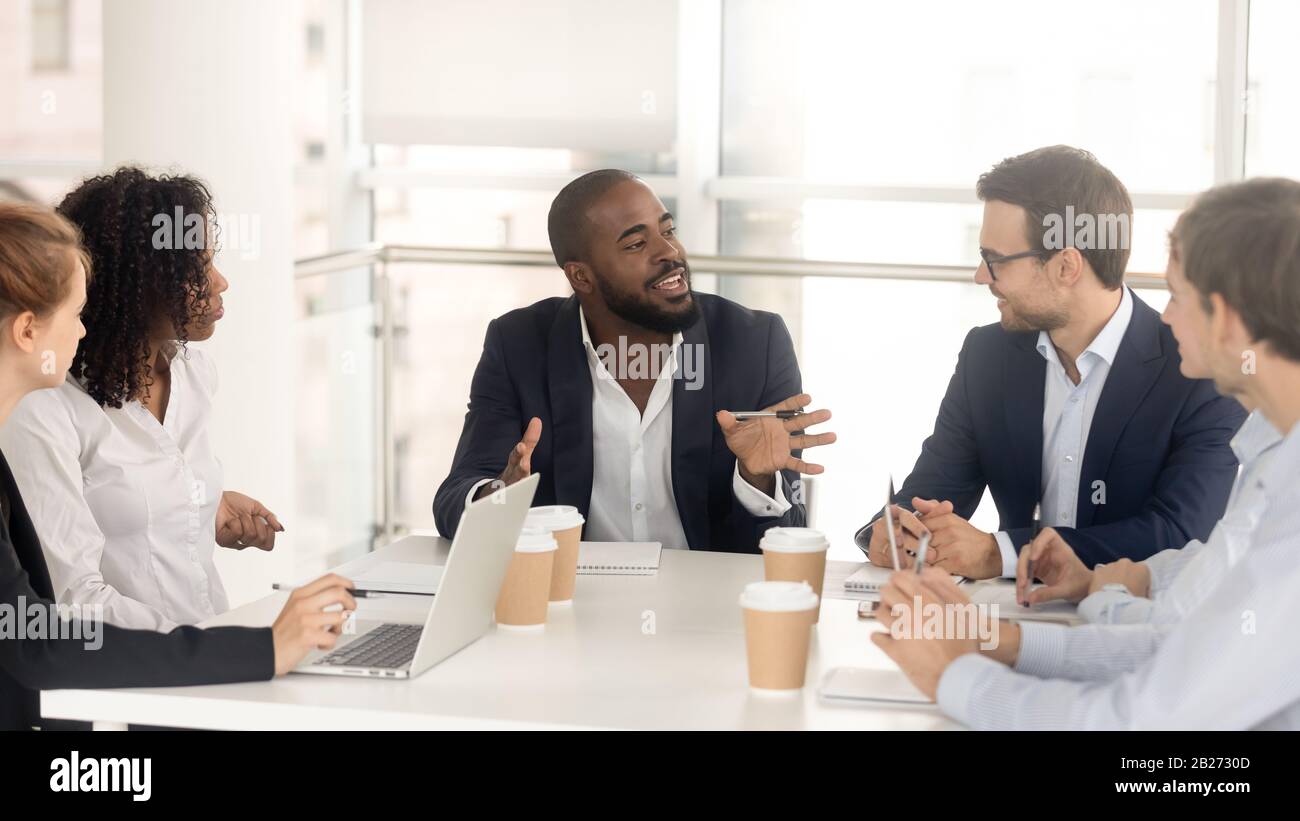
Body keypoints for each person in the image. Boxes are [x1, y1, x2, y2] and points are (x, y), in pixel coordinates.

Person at [873, 177, 1300, 729]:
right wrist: (999, 640)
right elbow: (1176, 649)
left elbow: (1140, 724)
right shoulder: (1274, 456)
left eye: (1177, 295)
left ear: (1229, 321)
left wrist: (953, 677)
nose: (1166, 316)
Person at [0, 201, 354, 730]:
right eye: (77, 314)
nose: (83, 330)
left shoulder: (191, 375)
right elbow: (43, 637)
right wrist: (256, 651)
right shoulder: (41, 417)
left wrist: (198, 507)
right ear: (28, 332)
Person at [857, 146, 1245, 579]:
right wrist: (894, 531)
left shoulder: (1197, 370)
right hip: (1011, 621)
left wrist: (1000, 553)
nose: (981, 276)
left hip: (1138, 629)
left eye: (995, 260)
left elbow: (1181, 534)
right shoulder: (987, 356)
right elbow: (929, 493)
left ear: (1066, 266)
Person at [433, 169, 835, 552]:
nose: (669, 252)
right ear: (581, 277)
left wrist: (757, 478)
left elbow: (785, 537)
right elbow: (454, 497)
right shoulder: (519, 345)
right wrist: (501, 497)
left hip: (705, 605)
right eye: (636, 244)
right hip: (572, 600)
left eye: (668, 230)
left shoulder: (754, 344)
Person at [0, 168, 282, 630]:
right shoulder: (43, 405)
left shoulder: (192, 375)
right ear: (137, 285)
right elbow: (74, 601)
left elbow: (131, 505)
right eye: (197, 269)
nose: (220, 283)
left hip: (204, 658)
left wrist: (203, 508)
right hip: (133, 678)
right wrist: (215, 648)